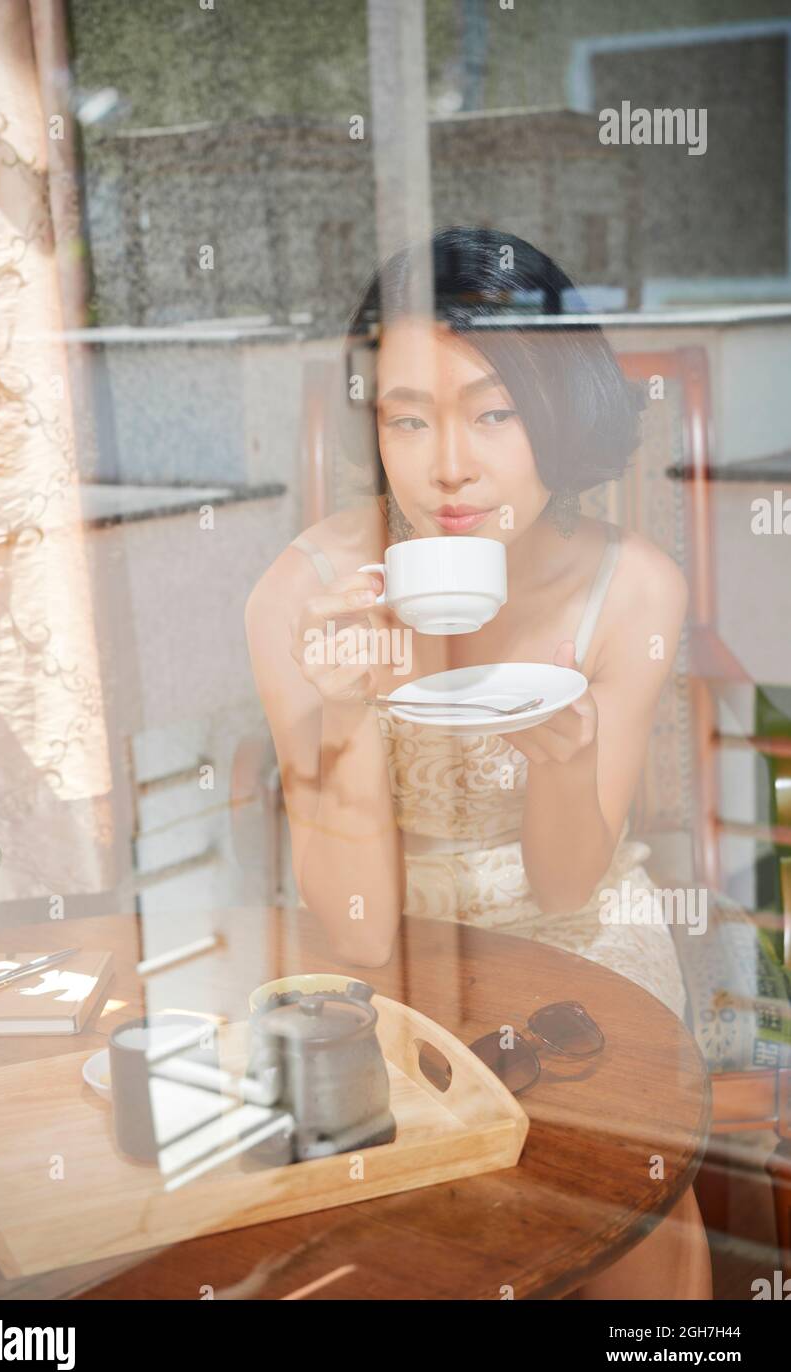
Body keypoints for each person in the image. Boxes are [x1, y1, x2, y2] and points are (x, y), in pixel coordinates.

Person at [245, 226, 712, 1298]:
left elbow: (564, 882)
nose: (448, 464)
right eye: (409, 419)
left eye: (494, 412)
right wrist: (346, 713)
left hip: (581, 933)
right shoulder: (303, 593)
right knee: (418, 1231)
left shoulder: (630, 587)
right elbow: (359, 925)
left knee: (641, 1214)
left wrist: (565, 757)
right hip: (399, 951)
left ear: (559, 416)